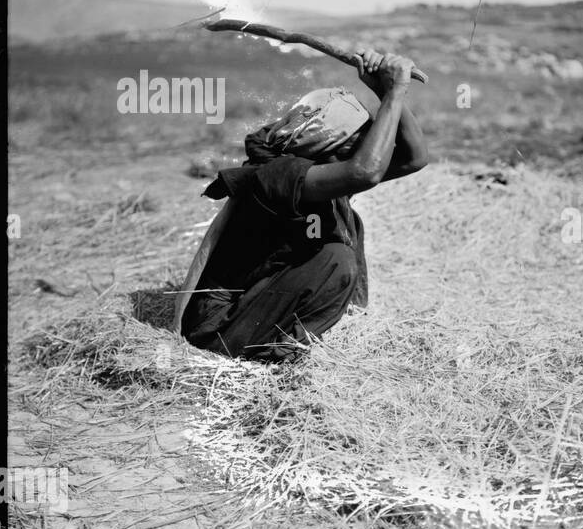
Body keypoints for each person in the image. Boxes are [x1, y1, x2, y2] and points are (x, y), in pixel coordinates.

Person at [176, 49, 428, 362]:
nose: (366, 147)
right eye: (357, 142)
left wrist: (384, 92)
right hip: (220, 331)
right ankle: (281, 353)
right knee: (335, 260)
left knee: (346, 228)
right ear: (331, 149)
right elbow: (366, 171)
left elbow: (414, 159)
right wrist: (395, 92)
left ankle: (297, 333)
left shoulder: (315, 167)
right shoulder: (280, 176)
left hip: (252, 309)